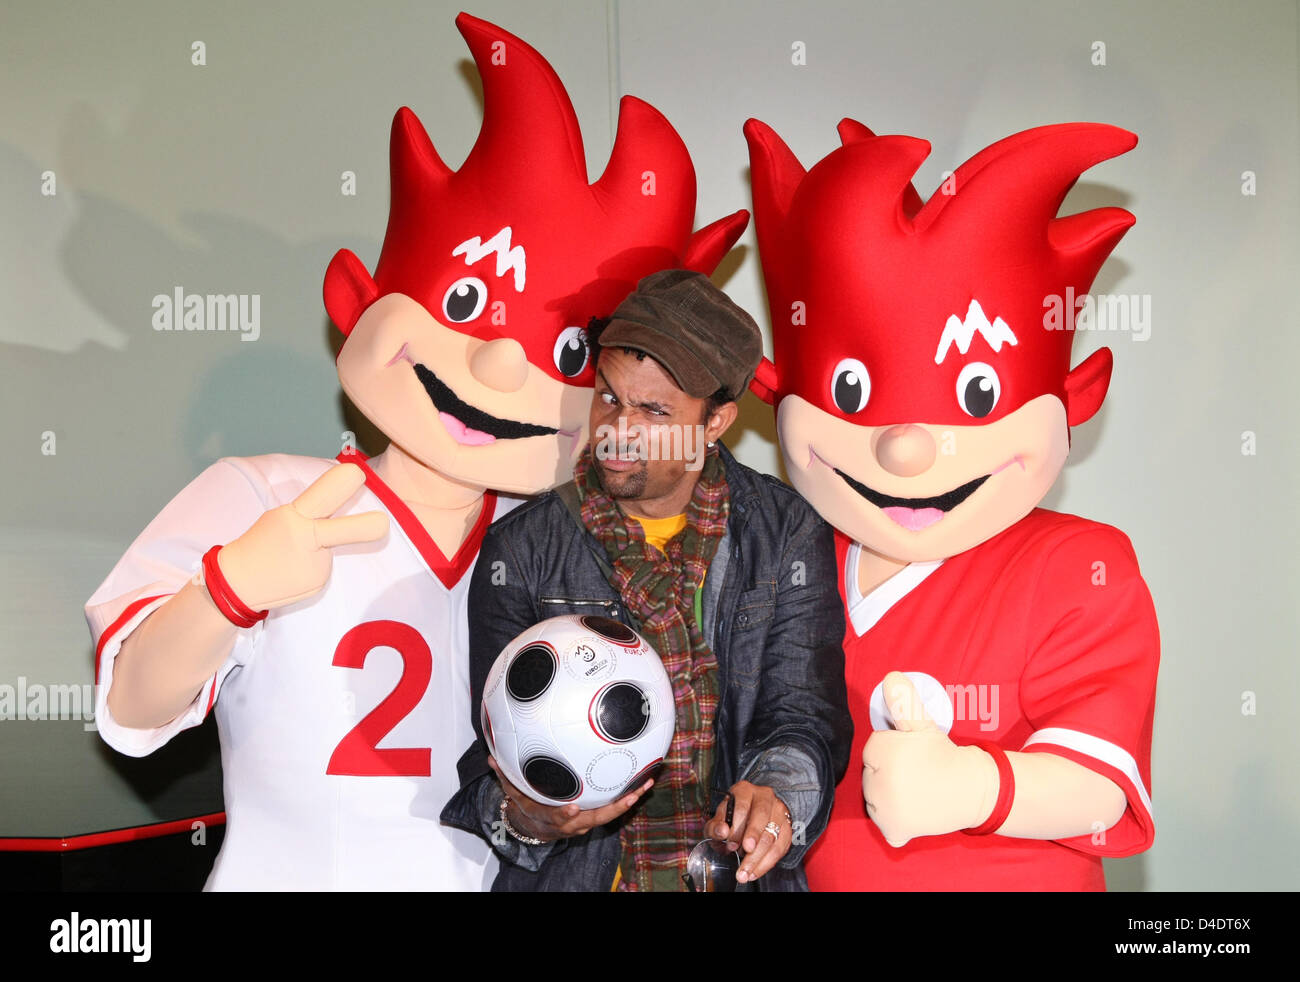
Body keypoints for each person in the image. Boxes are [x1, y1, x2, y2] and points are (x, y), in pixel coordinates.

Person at [441, 269, 852, 891]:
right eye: (608, 397)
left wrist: (776, 800)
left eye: (653, 410)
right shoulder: (522, 548)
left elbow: (803, 712)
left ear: (715, 423)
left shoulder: (784, 532)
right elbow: (491, 756)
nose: (616, 429)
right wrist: (530, 817)